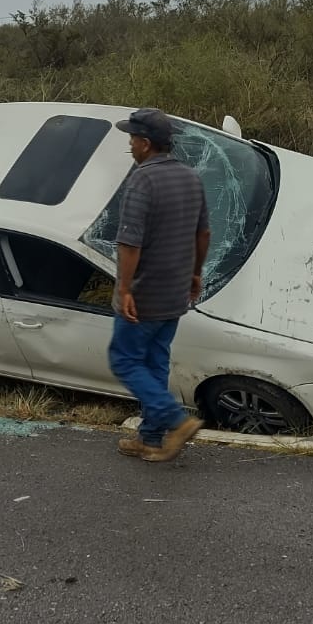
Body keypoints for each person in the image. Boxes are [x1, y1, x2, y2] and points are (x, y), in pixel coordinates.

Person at [108, 108, 211, 463]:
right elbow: (203, 233)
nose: (130, 145)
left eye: (132, 139)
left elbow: (130, 243)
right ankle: (150, 439)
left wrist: (125, 289)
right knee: (154, 363)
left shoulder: (142, 180)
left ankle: (177, 421)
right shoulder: (191, 177)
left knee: (124, 361)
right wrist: (195, 273)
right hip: (176, 291)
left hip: (145, 295)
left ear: (145, 143)